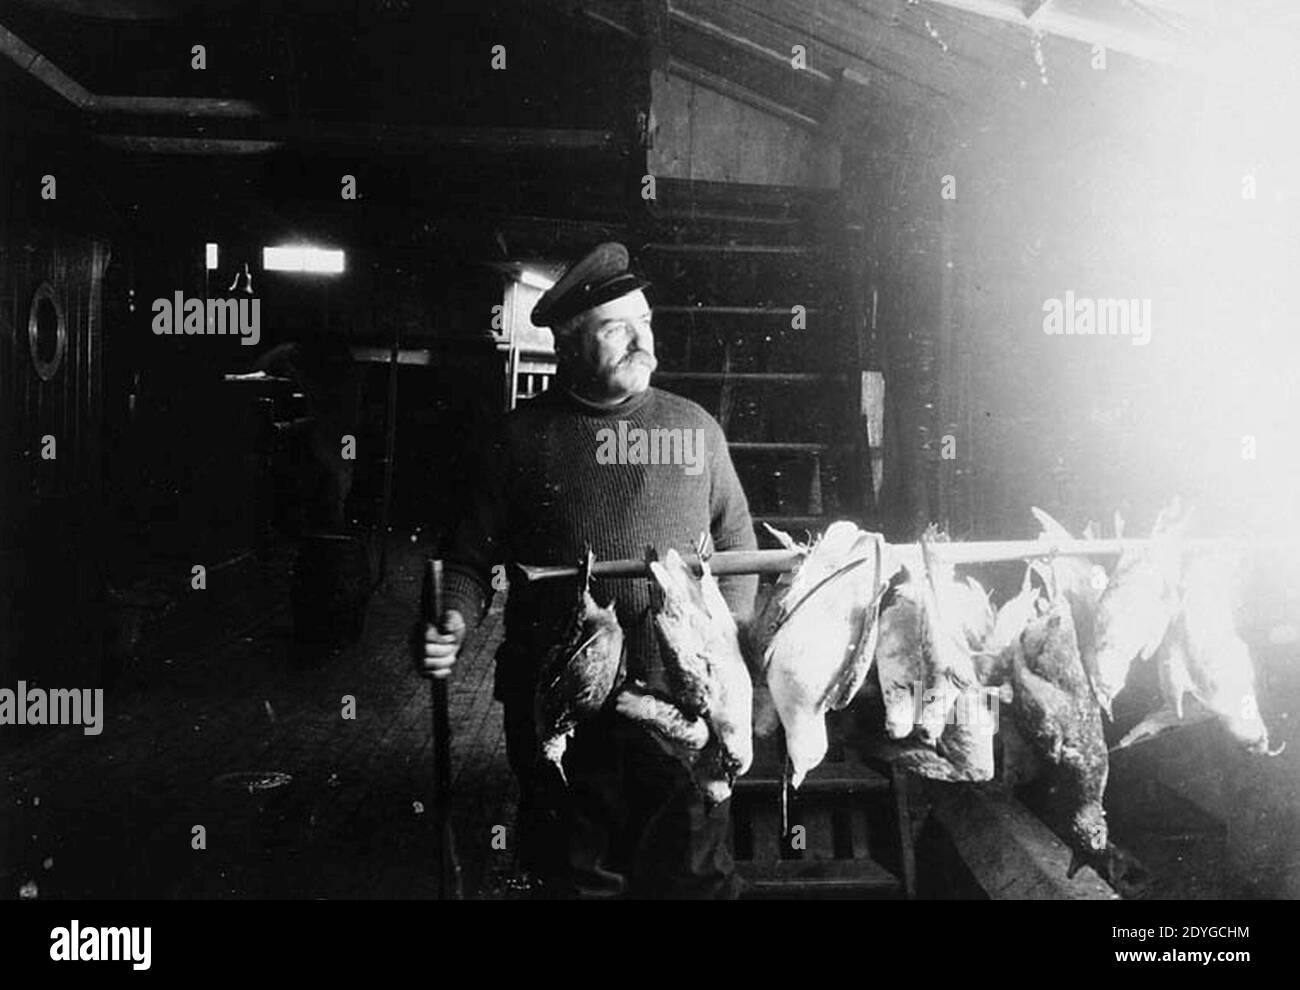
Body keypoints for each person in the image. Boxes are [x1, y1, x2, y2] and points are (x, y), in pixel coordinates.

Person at [416, 243, 758, 898]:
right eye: (617, 327)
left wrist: (724, 647)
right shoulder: (517, 438)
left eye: (647, 321)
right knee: (576, 881)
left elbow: (736, 541)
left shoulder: (696, 430)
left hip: (682, 712)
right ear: (568, 345)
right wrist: (450, 621)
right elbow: (465, 558)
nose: (643, 341)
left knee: (694, 881)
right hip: (564, 713)